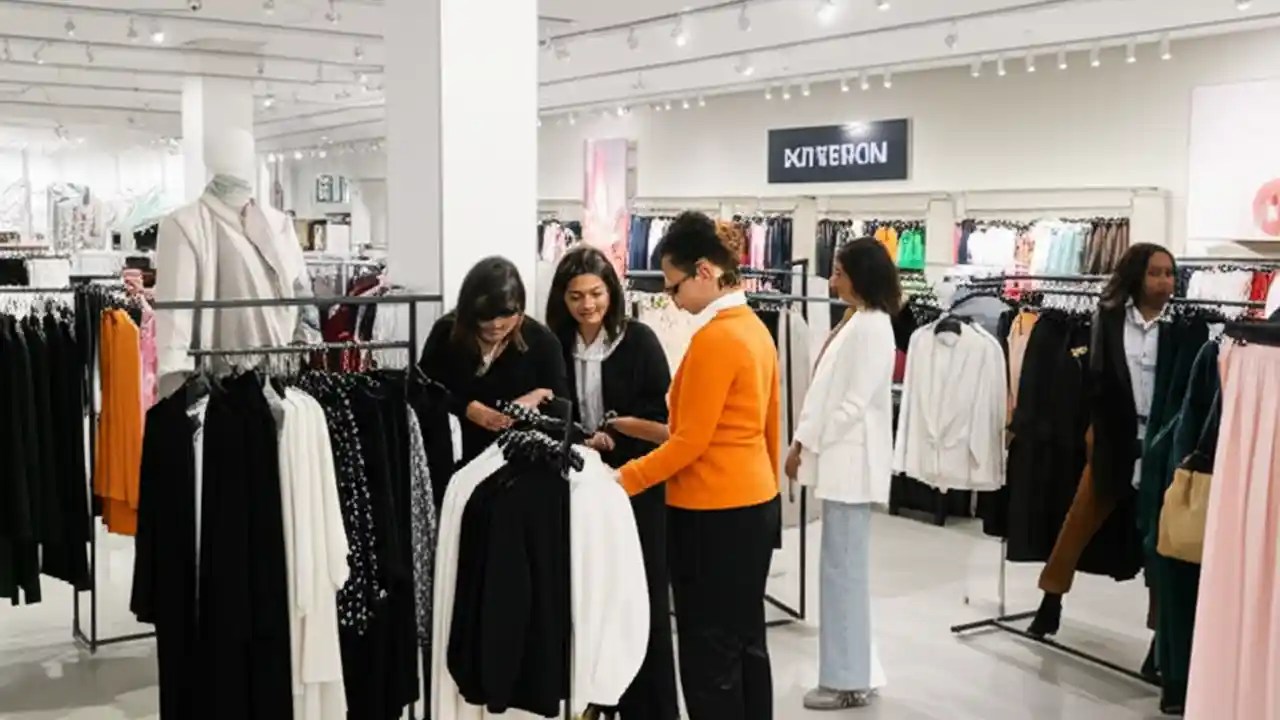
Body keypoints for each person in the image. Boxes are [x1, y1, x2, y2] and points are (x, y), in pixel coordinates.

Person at [616, 212, 782, 720]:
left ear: (705, 271)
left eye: (674, 287)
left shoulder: (717, 338)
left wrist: (624, 479)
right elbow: (770, 424)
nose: (673, 300)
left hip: (712, 512)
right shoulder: (752, 328)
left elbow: (689, 442)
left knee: (708, 655)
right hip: (752, 504)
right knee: (745, 643)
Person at [1029, 243, 1176, 682]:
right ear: (1136, 275)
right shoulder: (1108, 318)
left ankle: (1157, 643)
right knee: (1078, 521)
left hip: (1161, 444)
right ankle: (1049, 604)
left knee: (1161, 543)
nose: (1164, 282)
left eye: (1170, 273)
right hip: (1113, 438)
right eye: (1155, 273)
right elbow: (1096, 377)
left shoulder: (1183, 328)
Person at [545, 245, 679, 720]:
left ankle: (652, 708)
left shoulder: (640, 341)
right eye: (576, 295)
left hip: (635, 487)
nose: (587, 305)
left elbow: (665, 424)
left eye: (596, 293)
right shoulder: (554, 345)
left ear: (612, 293)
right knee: (586, 595)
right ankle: (591, 700)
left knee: (640, 599)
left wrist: (617, 433)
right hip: (578, 489)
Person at [784, 238, 899, 710]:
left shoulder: (872, 328)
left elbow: (852, 402)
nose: (832, 281)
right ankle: (855, 672)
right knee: (841, 571)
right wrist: (802, 441)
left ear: (861, 274)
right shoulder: (859, 322)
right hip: (840, 462)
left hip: (849, 463)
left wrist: (809, 442)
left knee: (843, 573)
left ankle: (846, 679)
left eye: (839, 271)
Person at [419, 256, 569, 465]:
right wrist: (466, 408)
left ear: (520, 309)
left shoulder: (542, 343)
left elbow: (562, 411)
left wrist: (537, 399)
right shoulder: (447, 334)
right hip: (450, 460)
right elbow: (421, 389)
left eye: (506, 314)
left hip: (517, 465)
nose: (495, 324)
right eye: (485, 315)